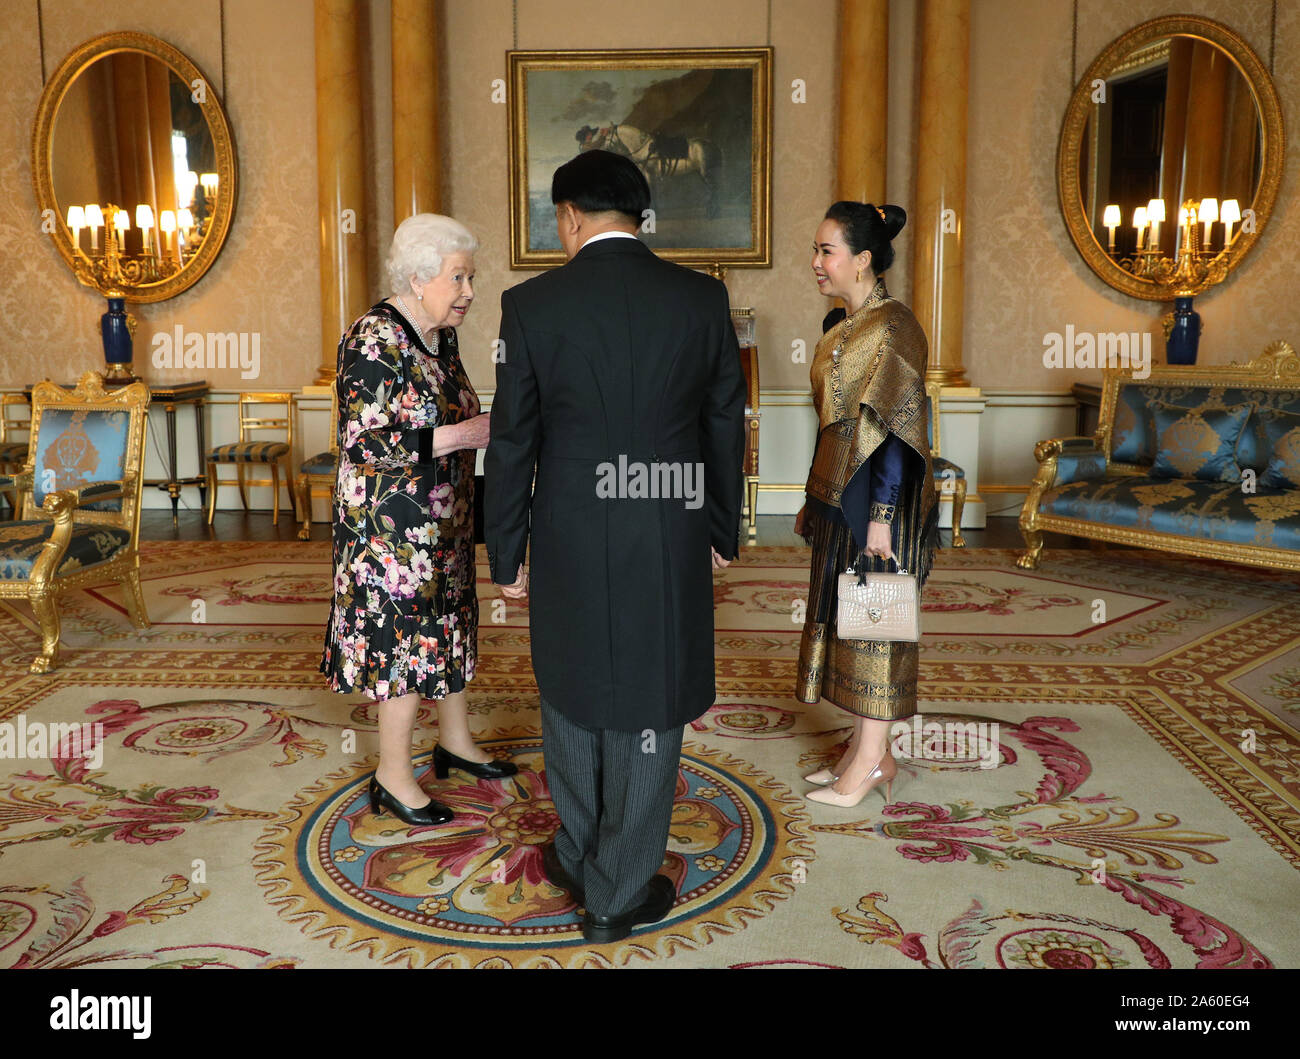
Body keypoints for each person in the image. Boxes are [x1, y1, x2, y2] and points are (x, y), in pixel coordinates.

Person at [484, 149, 746, 943]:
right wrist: (719, 528)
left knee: (569, 681)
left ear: (569, 217)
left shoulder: (530, 304)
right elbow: (726, 424)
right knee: (650, 695)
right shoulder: (703, 299)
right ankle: (617, 881)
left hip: (566, 525)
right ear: (640, 215)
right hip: (665, 522)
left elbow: (510, 440)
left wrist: (507, 551)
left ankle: (584, 858)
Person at [321, 213, 516, 829]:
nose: (469, 292)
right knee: (404, 643)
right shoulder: (373, 337)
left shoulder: (441, 337)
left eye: (470, 278)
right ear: (417, 275)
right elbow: (365, 442)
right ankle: (393, 774)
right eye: (459, 278)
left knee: (450, 624)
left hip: (444, 519)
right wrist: (467, 433)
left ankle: (454, 741)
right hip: (389, 531)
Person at [795, 201, 938, 807]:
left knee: (876, 625)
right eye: (818, 249)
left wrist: (880, 518)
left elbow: (901, 429)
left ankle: (871, 761)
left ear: (863, 260)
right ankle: (865, 755)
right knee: (848, 619)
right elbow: (837, 424)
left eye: (827, 251)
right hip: (841, 496)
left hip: (881, 506)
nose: (817, 262)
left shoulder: (896, 325)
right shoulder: (843, 325)